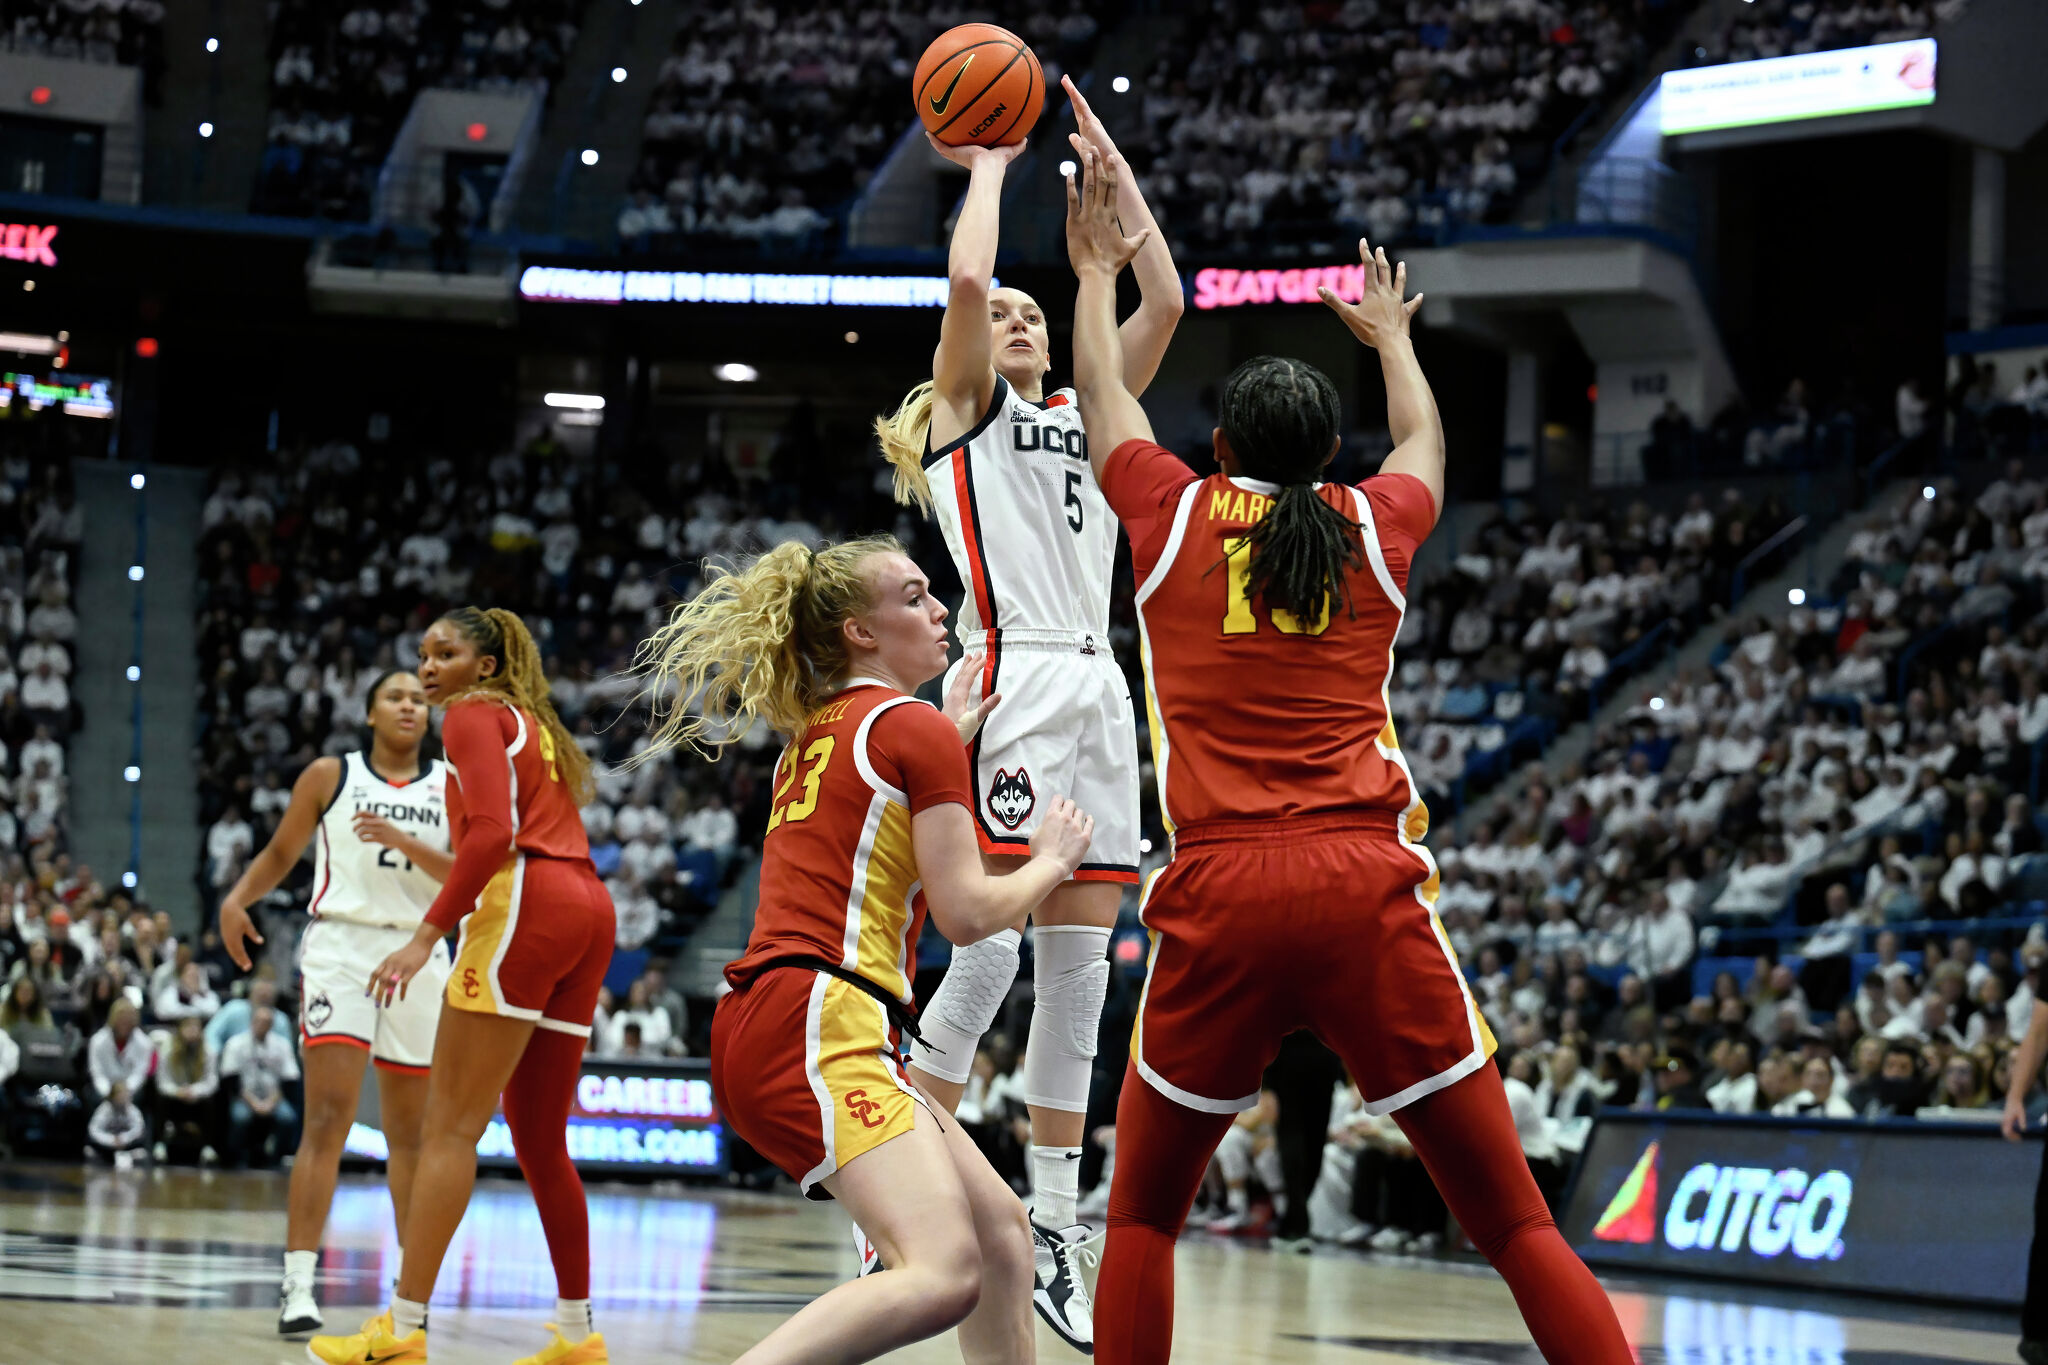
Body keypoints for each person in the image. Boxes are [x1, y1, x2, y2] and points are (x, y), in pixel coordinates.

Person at [1065, 148, 1633, 1365]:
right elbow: (1422, 439)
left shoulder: (1169, 512)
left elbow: (1099, 388)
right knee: (1516, 1226)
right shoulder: (1376, 525)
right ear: (1332, 454)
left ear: (1218, 445)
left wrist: (1093, 274)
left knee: (1144, 1221)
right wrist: (1391, 340)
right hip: (1363, 883)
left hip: (1219, 887)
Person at [867, 78, 1180, 1346]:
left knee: (1079, 977)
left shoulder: (1090, 413)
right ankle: (896, 1190)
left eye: (1030, 311)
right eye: (999, 311)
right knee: (989, 952)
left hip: (1100, 686)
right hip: (1013, 678)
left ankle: (1053, 1226)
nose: (1011, 317)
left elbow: (1164, 302)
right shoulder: (966, 421)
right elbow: (961, 283)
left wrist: (1115, 175)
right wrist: (990, 163)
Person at [629, 534, 1095, 1364]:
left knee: (1001, 1239)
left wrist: (946, 739)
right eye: (914, 596)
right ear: (861, 632)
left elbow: (876, 818)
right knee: (946, 1270)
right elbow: (967, 913)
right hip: (821, 1019)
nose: (941, 607)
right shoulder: (910, 728)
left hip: (791, 1013)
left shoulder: (823, 731)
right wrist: (1051, 863)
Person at [309, 608, 615, 1365]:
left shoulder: (473, 715)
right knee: (540, 1138)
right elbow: (495, 839)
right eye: (422, 653)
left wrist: (424, 937)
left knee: (448, 1129)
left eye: (444, 653)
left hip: (527, 904)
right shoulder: (532, 724)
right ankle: (578, 1335)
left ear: (485, 665)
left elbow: (492, 836)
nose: (427, 667)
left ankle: (402, 1328)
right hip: (586, 907)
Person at [218, 669, 454, 1336]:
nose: (409, 706)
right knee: (327, 1118)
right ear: (370, 712)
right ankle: (298, 1284)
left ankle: (410, 1297)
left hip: (420, 950)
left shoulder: (452, 784)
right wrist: (237, 899)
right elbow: (281, 851)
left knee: (411, 1134)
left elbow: (469, 872)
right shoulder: (331, 774)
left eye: (418, 699)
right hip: (342, 949)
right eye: (394, 697)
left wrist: (403, 841)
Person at [223, 1002, 301, 1166]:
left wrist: (270, 1103)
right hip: (244, 1097)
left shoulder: (282, 1045)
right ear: (252, 1021)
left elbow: (289, 1080)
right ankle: (238, 1159)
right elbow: (231, 1080)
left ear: (272, 1025)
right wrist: (254, 1103)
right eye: (259, 1021)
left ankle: (276, 1159)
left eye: (267, 1022)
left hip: (274, 1098)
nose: (262, 1025)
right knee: (240, 1117)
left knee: (287, 1118)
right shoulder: (235, 1044)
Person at [154, 1015, 220, 1164]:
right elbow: (162, 1082)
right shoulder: (167, 1049)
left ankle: (208, 1147)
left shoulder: (208, 1051)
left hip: (197, 1098)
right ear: (180, 1030)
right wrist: (177, 1092)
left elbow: (212, 1082)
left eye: (196, 1028)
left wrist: (194, 1091)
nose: (192, 1032)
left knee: (212, 1101)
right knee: (160, 1099)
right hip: (175, 1097)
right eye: (188, 1028)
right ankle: (159, 1144)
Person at [87, 1080, 148, 1168]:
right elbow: (93, 1130)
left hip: (126, 1145)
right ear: (113, 1096)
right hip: (107, 1145)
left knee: (142, 1152)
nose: (123, 1098)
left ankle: (126, 1155)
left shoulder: (132, 1109)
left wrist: (123, 1139)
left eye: (125, 1095)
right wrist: (111, 1140)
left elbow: (139, 1128)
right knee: (89, 1151)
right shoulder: (104, 1109)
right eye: (120, 1095)